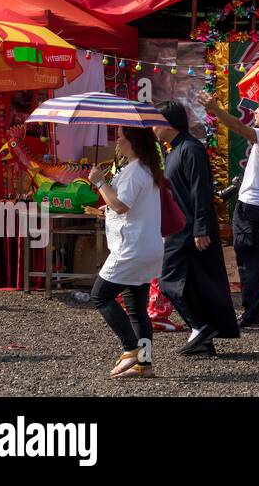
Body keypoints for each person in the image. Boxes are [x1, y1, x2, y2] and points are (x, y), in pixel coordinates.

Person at [199, 90, 259, 330]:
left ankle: (252, 316)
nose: (255, 113)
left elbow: (241, 129)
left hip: (252, 206)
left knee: (249, 261)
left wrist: (216, 110)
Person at [154, 101, 240, 356]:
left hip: (190, 229)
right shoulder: (174, 151)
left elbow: (200, 192)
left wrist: (201, 229)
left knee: (168, 280)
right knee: (194, 282)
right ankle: (203, 337)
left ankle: (201, 326)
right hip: (180, 228)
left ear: (168, 124)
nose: (153, 129)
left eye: (156, 123)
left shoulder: (191, 149)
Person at [89, 127, 164, 379]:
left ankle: (131, 348)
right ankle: (144, 364)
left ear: (132, 140)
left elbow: (121, 205)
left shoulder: (135, 171)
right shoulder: (144, 168)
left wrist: (100, 182)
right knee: (136, 307)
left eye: (120, 135)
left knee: (100, 295)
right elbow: (122, 204)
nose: (117, 140)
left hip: (131, 248)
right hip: (145, 246)